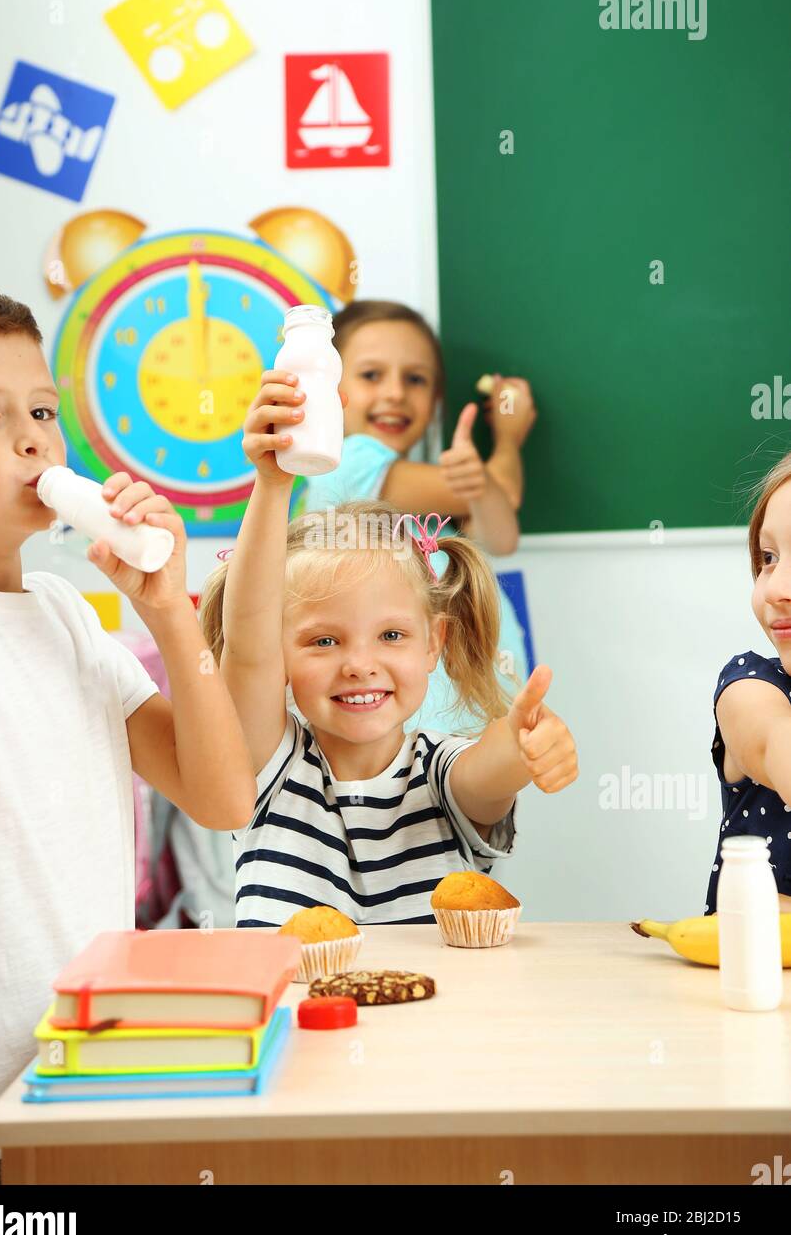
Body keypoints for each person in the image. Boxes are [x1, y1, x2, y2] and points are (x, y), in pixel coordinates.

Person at [0, 287, 256, 1179]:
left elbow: (222, 797)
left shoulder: (66, 613)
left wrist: (172, 612)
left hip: (77, 1094)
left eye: (41, 410)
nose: (32, 438)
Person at [199, 366, 577, 927]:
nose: (359, 664)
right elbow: (248, 642)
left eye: (391, 636)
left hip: (430, 1016)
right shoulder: (266, 766)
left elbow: (485, 776)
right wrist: (273, 482)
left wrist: (522, 746)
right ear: (280, 655)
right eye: (324, 640)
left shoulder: (440, 770)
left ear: (434, 643)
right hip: (296, 1016)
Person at [303, 299, 536, 730]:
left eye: (415, 379)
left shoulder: (427, 520)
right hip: (410, 758)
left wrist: (479, 483)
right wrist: (508, 436)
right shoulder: (346, 462)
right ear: (331, 389)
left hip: (470, 744)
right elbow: (505, 492)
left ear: (435, 400)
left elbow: (501, 537)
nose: (394, 393)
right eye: (371, 375)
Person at [707, 454, 791, 914]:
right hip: (751, 973)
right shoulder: (750, 687)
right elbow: (780, 744)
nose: (776, 587)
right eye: (769, 558)